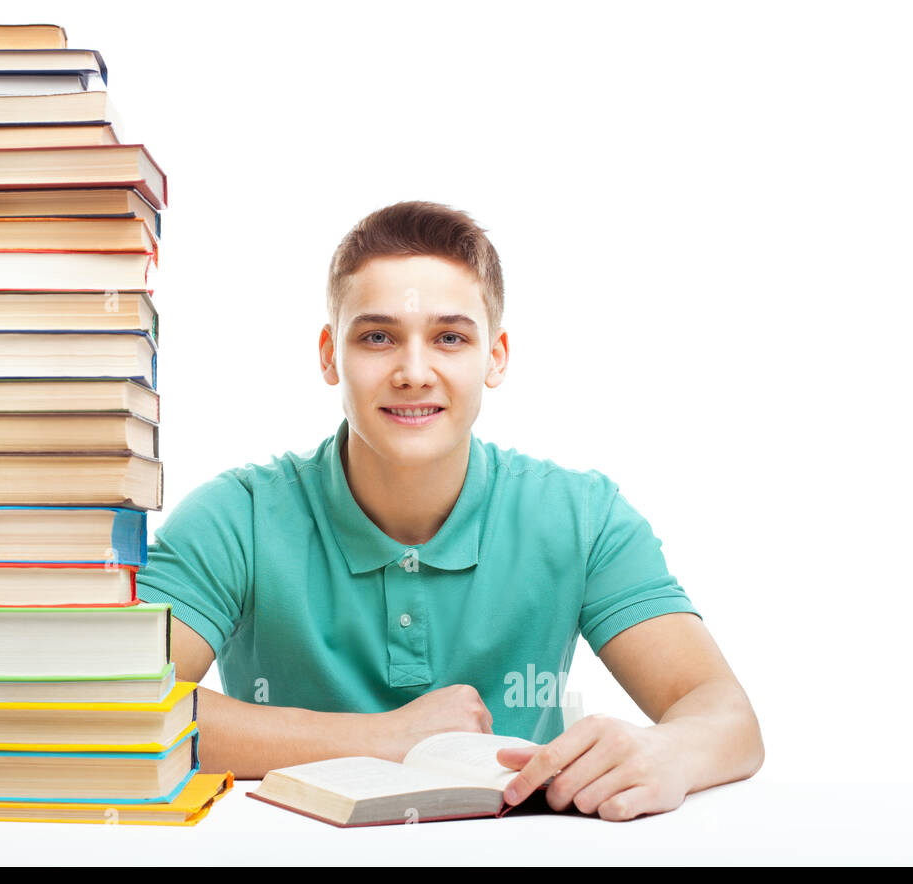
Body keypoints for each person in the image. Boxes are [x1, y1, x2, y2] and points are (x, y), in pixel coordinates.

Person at [136, 201, 763, 821]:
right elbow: (121, 702)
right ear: (330, 355)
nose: (414, 372)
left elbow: (725, 715)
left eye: (450, 338)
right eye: (377, 337)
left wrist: (665, 752)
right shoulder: (234, 518)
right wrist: (381, 739)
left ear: (495, 356)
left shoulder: (583, 517)